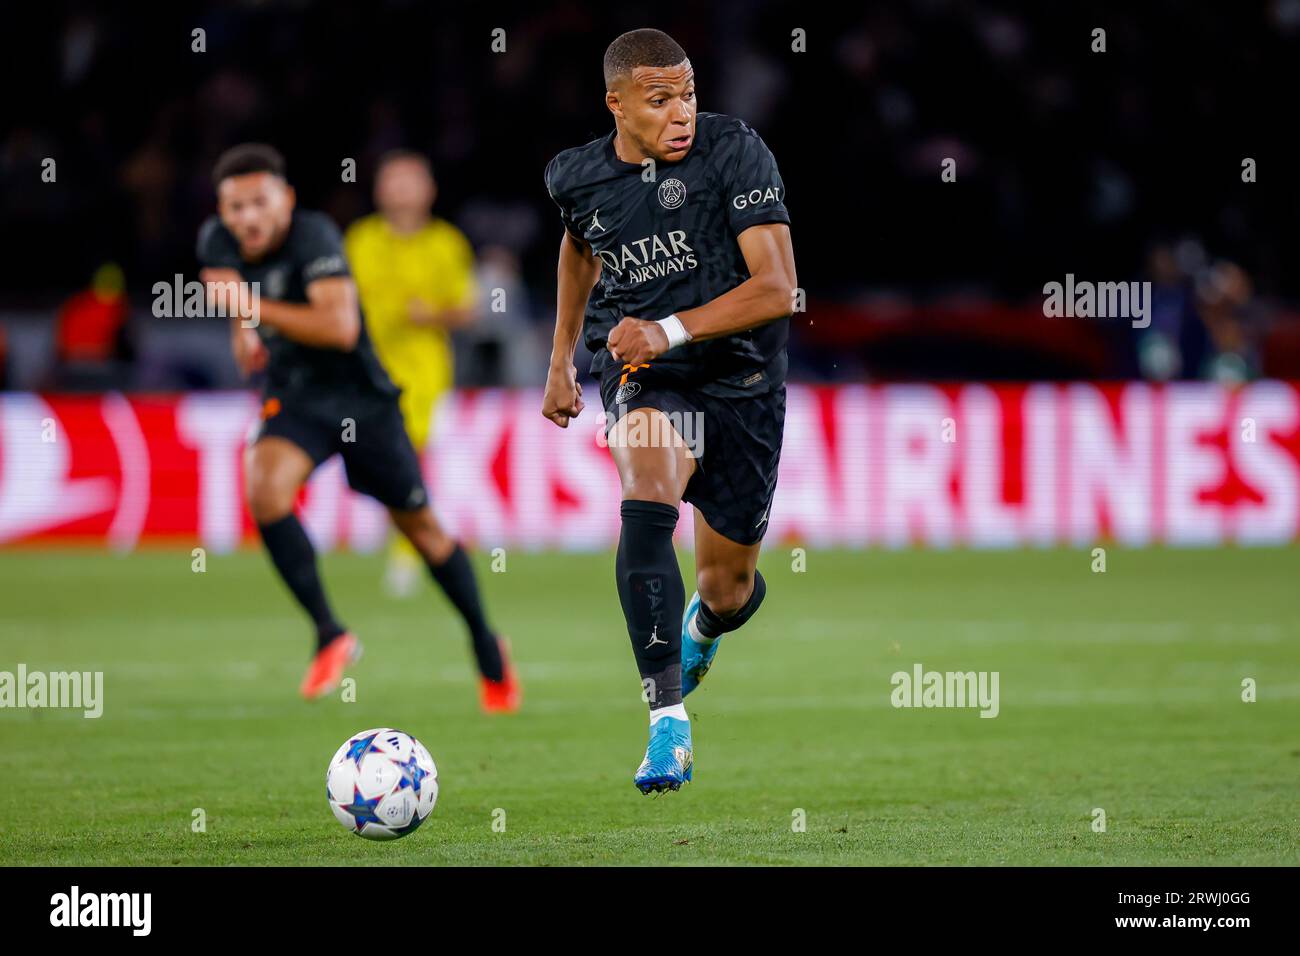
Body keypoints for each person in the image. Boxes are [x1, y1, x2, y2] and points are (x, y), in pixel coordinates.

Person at [542, 29, 796, 792]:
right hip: (650, 376)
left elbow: (778, 287)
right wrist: (559, 359)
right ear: (617, 105)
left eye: (687, 94)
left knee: (728, 588)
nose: (682, 112)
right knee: (645, 490)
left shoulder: (735, 152)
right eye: (661, 100)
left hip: (744, 382)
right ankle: (667, 723)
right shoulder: (576, 176)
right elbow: (581, 246)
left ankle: (703, 628)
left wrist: (670, 326)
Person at [197, 143, 521, 712]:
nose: (246, 217)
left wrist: (255, 309)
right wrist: (243, 332)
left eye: (258, 203)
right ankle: (330, 633)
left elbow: (340, 328)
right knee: (265, 490)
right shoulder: (215, 244)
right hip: (295, 396)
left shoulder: (317, 237)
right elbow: (236, 303)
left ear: (287, 201)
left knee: (421, 528)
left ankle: (486, 644)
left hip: (361, 401)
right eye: (234, 206)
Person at [343, 152, 478, 596]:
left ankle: (407, 552)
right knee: (378, 459)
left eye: (409, 181)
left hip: (421, 373)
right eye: (392, 180)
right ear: (379, 189)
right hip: (365, 369)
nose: (400, 190)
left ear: (429, 190)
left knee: (406, 456)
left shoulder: (446, 243)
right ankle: (402, 540)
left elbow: (469, 308)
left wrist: (434, 313)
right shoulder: (359, 241)